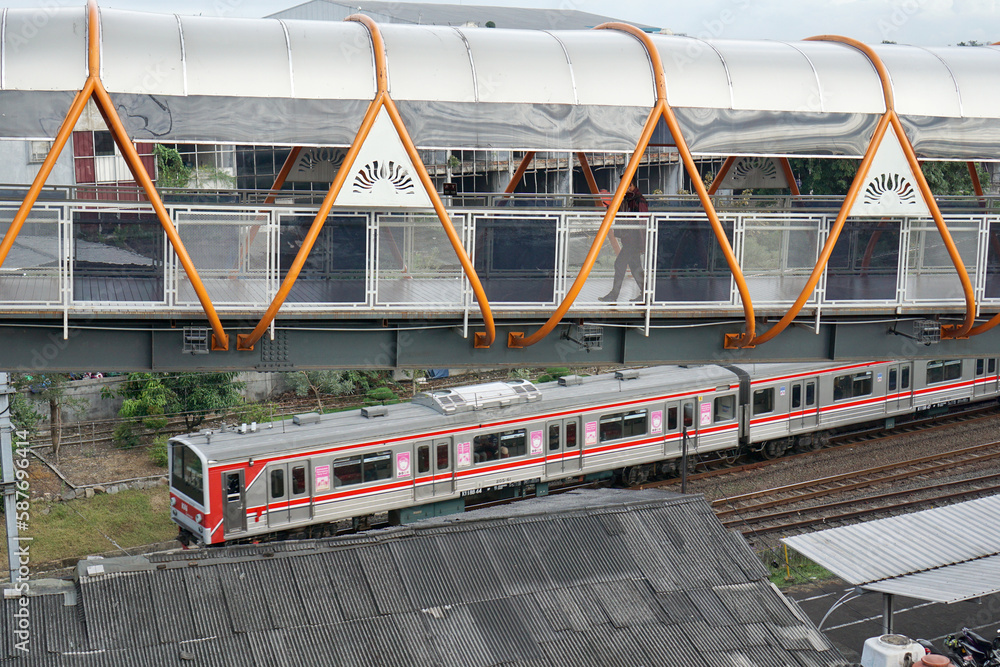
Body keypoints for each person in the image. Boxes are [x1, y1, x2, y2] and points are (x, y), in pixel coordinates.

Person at [599, 173, 648, 302]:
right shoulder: (630, 199)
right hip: (631, 240)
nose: (622, 187)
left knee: (619, 264)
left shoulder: (637, 200)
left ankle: (614, 295)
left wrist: (642, 244)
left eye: (624, 184)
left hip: (633, 241)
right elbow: (621, 210)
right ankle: (646, 295)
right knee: (635, 267)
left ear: (630, 185)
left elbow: (642, 222)